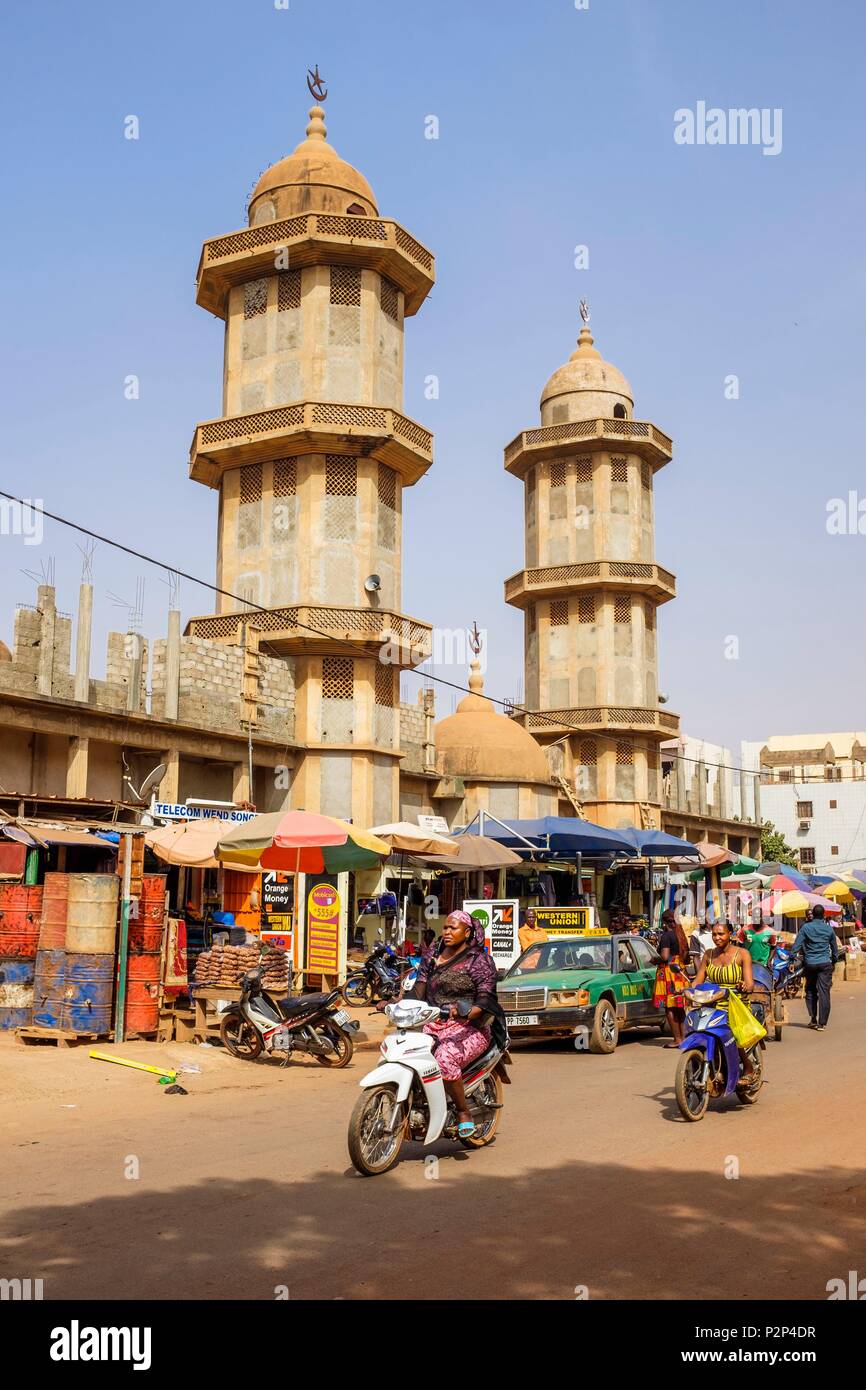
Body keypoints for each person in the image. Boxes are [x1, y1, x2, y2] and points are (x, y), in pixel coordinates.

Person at [408, 910, 504, 1138]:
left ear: (467, 932)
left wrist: (468, 1011)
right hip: (432, 1022)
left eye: (454, 928)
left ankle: (463, 1112)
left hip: (471, 1027)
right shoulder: (433, 954)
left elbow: (485, 997)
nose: (448, 932)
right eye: (445, 928)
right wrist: (399, 1004)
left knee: (444, 1057)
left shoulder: (479, 960)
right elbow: (420, 986)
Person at [692, 919, 756, 1075]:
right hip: (713, 1001)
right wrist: (685, 989)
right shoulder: (708, 954)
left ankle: (747, 1067)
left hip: (736, 1003)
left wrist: (744, 986)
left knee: (731, 1036)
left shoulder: (742, 954)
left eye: (721, 934)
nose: (717, 938)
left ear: (730, 934)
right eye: (714, 934)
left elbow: (750, 983)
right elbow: (698, 980)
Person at [792, 904, 840, 1031]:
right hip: (825, 963)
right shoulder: (828, 929)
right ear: (824, 915)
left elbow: (796, 945)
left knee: (811, 990)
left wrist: (792, 958)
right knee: (824, 992)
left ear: (812, 914)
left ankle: (813, 1018)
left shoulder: (805, 928)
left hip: (810, 964)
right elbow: (834, 949)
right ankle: (822, 1023)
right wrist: (834, 961)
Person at [652, 910, 691, 1046]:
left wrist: (653, 960)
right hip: (680, 972)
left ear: (664, 923)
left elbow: (664, 957)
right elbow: (686, 958)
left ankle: (677, 1039)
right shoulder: (681, 936)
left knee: (669, 1007)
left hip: (668, 972)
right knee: (679, 1007)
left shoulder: (666, 936)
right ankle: (684, 1038)